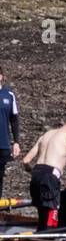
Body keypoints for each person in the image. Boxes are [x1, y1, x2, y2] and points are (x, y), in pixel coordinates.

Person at [22, 119, 66, 232]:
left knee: (42, 211)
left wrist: (32, 172)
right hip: (50, 175)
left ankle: (41, 234)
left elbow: (26, 160)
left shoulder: (46, 135)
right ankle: (49, 236)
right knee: (52, 211)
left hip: (36, 173)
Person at [0, 68, 18, 201]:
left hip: (3, 143)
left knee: (0, 175)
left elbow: (14, 119)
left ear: (1, 76)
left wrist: (16, 142)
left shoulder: (9, 95)